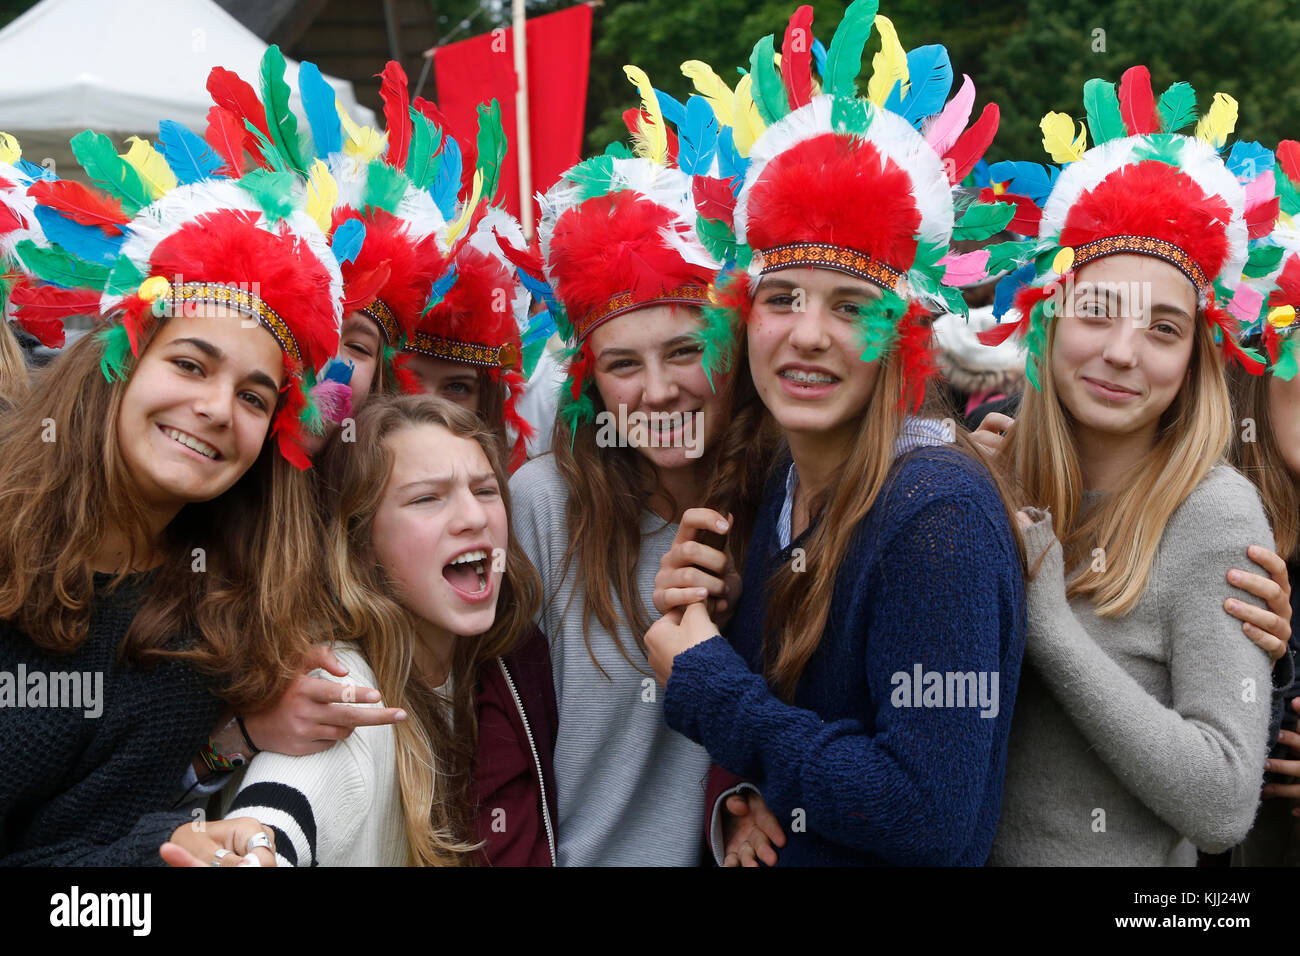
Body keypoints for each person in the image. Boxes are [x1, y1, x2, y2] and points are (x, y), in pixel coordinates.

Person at [645, 5, 1028, 866]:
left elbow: (932, 816)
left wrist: (711, 689)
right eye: (782, 298)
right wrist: (709, 618)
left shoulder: (938, 517)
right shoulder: (777, 478)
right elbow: (807, 736)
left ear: (902, 332)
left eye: (850, 306)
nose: (808, 334)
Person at [0, 99, 345, 865]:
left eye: (255, 396)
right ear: (119, 367)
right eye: (190, 364)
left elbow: (103, 815)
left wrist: (239, 743)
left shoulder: (221, 600)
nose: (217, 409)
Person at [973, 65, 1279, 865]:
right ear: (1050, 319)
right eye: (1097, 312)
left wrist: (1051, 627)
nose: (1120, 353)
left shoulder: (1216, 516)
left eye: (1163, 329)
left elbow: (1221, 802)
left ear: (1194, 363)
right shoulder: (987, 471)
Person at [506, 72, 777, 863]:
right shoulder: (542, 504)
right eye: (624, 364)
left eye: (688, 351)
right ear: (593, 383)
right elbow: (499, 726)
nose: (658, 391)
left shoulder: (785, 495)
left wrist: (733, 786)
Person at [161, 394, 555, 866]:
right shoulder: (345, 687)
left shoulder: (510, 662)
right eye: (427, 498)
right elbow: (287, 806)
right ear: (361, 542)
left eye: (486, 490)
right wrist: (258, 849)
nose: (473, 517)